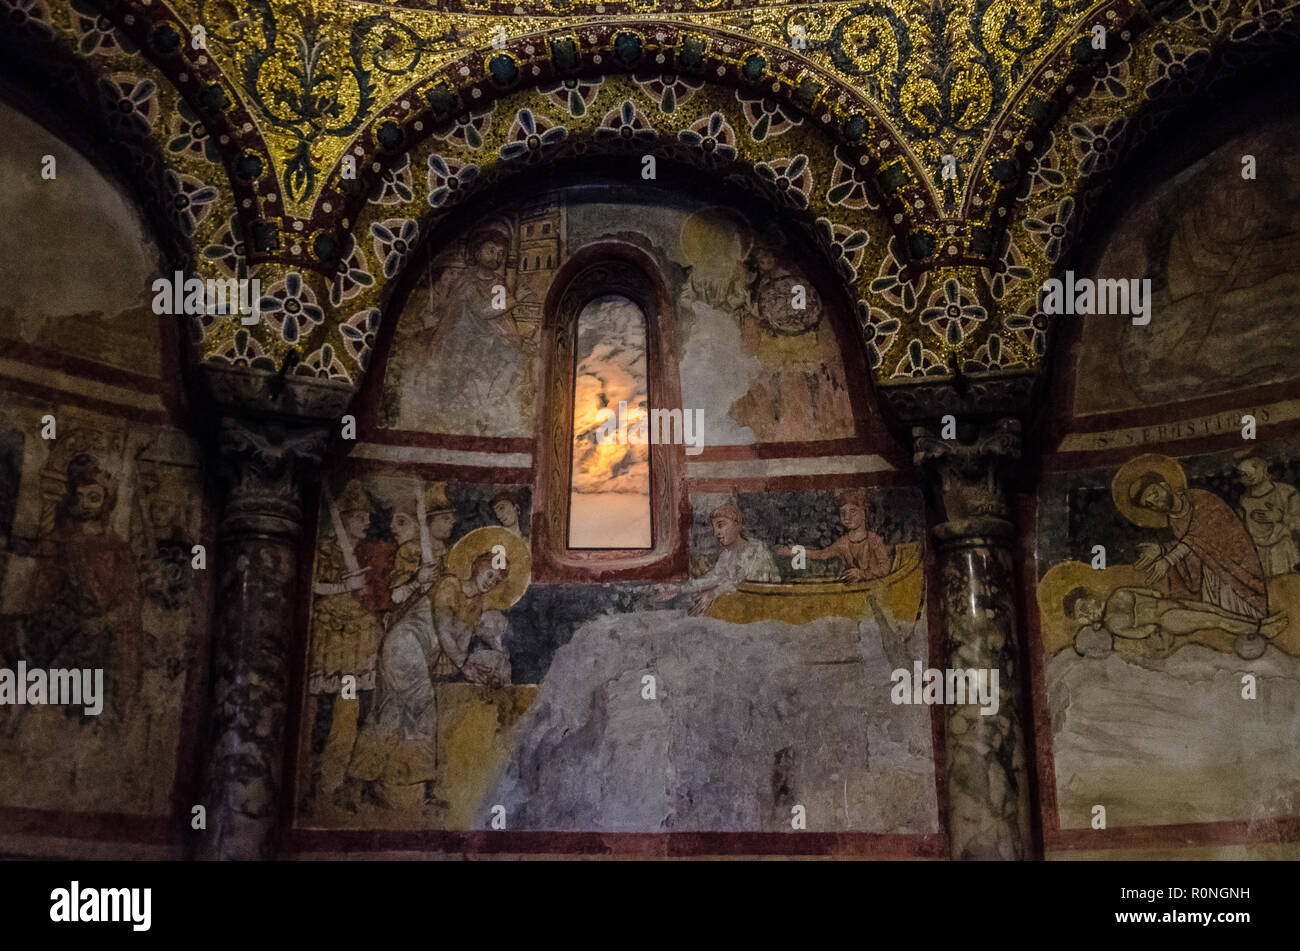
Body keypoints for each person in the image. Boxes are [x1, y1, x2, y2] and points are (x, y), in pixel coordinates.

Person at [336, 483, 455, 813]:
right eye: (444, 519)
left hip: (423, 642)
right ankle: (428, 792)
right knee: (422, 707)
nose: (451, 524)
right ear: (427, 522)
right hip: (404, 642)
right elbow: (396, 598)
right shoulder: (410, 553)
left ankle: (357, 785)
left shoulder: (451, 556)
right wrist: (419, 580)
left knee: (387, 712)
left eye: (451, 518)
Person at [302, 480, 390, 815]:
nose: (366, 521)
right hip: (333, 638)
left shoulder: (367, 552)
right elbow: (311, 586)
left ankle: (345, 782)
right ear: (344, 518)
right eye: (358, 516)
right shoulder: (326, 548)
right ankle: (311, 784)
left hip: (361, 640)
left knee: (357, 712)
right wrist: (341, 586)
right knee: (323, 714)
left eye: (367, 516)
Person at [1130, 473, 1269, 619]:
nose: (1156, 504)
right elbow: (1191, 544)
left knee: (1243, 613)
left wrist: (1168, 559)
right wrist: (1162, 549)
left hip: (1232, 566)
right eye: (1150, 504)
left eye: (1154, 494)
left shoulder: (1201, 499)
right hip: (1211, 573)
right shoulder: (1173, 519)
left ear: (1165, 486)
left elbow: (1198, 535)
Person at [1064, 585, 1286, 660]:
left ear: (1091, 597)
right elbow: (1144, 631)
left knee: (1214, 610)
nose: (1089, 610)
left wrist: (1154, 602)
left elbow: (1151, 593)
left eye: (1086, 604)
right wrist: (1151, 620)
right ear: (1085, 621)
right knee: (1213, 619)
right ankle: (1262, 629)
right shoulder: (1114, 624)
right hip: (1168, 618)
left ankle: (1259, 622)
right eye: (1083, 614)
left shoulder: (1116, 594)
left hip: (1170, 605)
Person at [654, 502, 779, 616]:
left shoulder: (755, 550)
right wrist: (681, 589)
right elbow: (715, 576)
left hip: (761, 606)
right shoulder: (727, 554)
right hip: (741, 604)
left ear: (737, 524)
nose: (716, 533)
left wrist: (714, 593)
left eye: (721, 525)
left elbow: (742, 583)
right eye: (714, 528)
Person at [776, 488, 891, 582]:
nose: (847, 517)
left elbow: (885, 568)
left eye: (852, 511)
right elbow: (822, 555)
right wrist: (792, 551)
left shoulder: (874, 540)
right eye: (843, 513)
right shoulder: (843, 542)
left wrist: (862, 574)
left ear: (865, 512)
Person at [1235, 451, 1300, 577]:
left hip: (1282, 552)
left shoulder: (1286, 492)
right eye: (1243, 474)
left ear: (1264, 466)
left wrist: (1280, 517)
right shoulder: (1244, 502)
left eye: (1254, 467)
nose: (1249, 475)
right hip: (1257, 556)